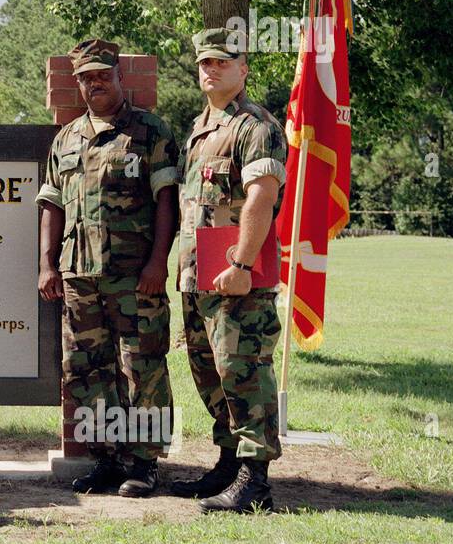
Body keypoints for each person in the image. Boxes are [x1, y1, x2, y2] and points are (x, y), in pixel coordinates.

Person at [38, 39, 178, 497]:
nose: (94, 83)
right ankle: (105, 458)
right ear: (77, 83)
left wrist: (159, 261)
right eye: (85, 77)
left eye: (102, 75)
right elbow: (52, 204)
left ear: (118, 77)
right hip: (79, 276)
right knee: (87, 368)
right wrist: (48, 264)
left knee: (142, 366)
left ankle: (144, 462)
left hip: (135, 275)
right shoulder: (66, 139)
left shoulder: (149, 132)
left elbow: (166, 201)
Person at [171, 27, 288, 514]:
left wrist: (240, 263)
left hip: (239, 273)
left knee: (244, 370)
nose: (211, 69)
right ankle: (227, 461)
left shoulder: (255, 126)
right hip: (201, 274)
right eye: (204, 62)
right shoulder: (202, 128)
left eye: (222, 62)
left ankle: (254, 479)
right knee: (208, 369)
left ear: (243, 70)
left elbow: (261, 197)